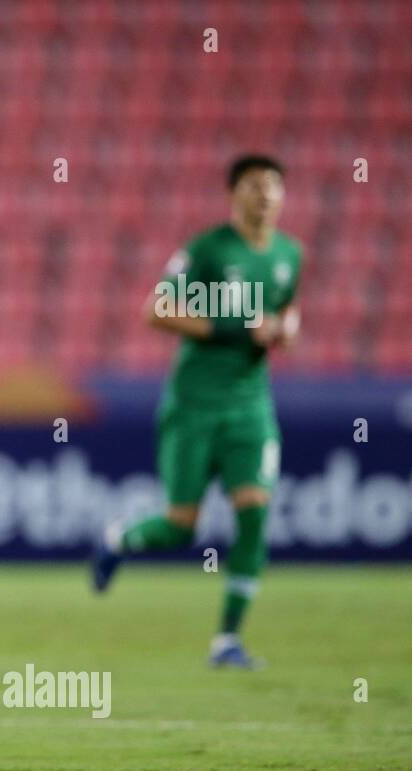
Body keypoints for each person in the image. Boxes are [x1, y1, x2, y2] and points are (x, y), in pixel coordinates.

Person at [92, 155, 303, 670]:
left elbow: (286, 307)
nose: (266, 195)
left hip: (251, 407)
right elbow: (155, 310)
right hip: (193, 407)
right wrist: (235, 330)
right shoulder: (208, 252)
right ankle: (119, 538)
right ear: (234, 193)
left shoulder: (289, 254)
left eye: (274, 186)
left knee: (254, 511)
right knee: (181, 526)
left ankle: (226, 641)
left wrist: (288, 328)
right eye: (255, 186)